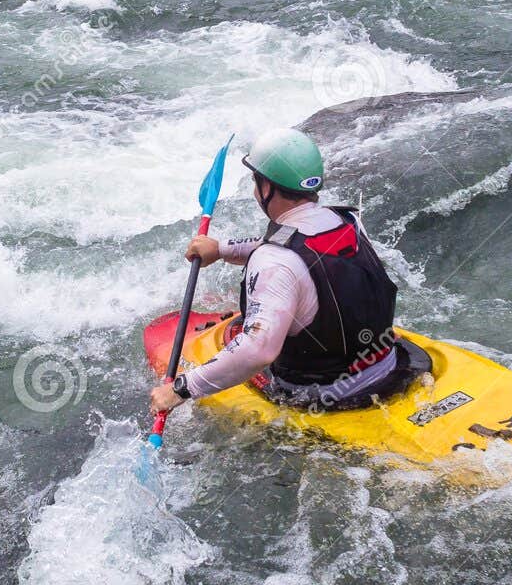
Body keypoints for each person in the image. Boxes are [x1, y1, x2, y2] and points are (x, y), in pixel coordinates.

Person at [150, 128, 421, 418]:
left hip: (326, 393)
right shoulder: (347, 220)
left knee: (252, 337)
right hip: (388, 363)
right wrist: (221, 249)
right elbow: (298, 246)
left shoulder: (273, 261)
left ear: (267, 187)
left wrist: (180, 389)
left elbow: (258, 351)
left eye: (255, 182)